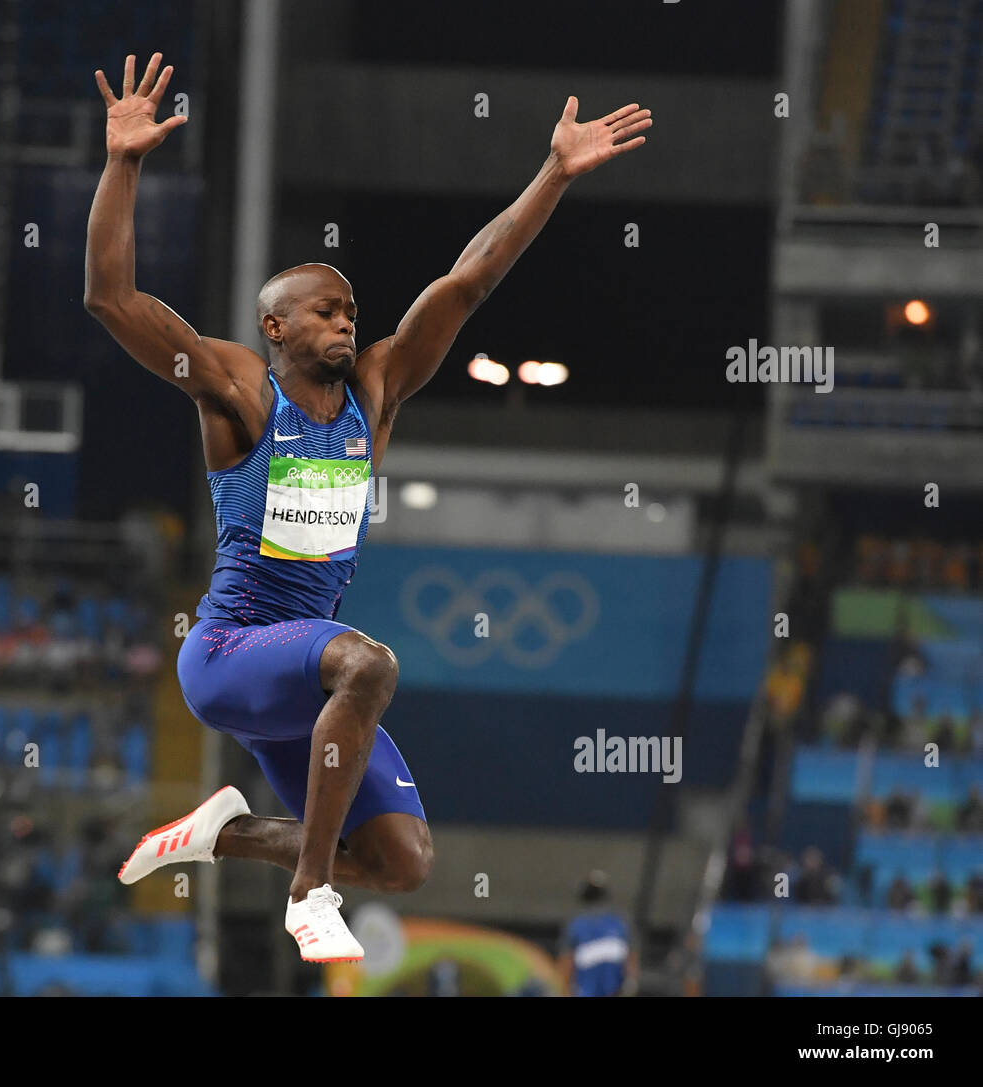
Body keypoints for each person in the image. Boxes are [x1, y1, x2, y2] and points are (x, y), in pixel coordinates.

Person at [85, 52, 651, 961]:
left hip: (302, 683)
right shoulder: (239, 391)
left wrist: (552, 174)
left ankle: (221, 835)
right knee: (371, 664)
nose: (347, 321)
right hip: (229, 654)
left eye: (351, 310)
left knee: (399, 860)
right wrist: (123, 163)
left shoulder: (376, 394)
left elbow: (467, 282)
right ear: (276, 328)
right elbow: (111, 298)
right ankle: (308, 894)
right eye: (324, 312)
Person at [558, 870, 636, 996]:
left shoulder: (618, 922)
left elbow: (566, 963)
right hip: (594, 989)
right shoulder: (619, 921)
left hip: (605, 989)